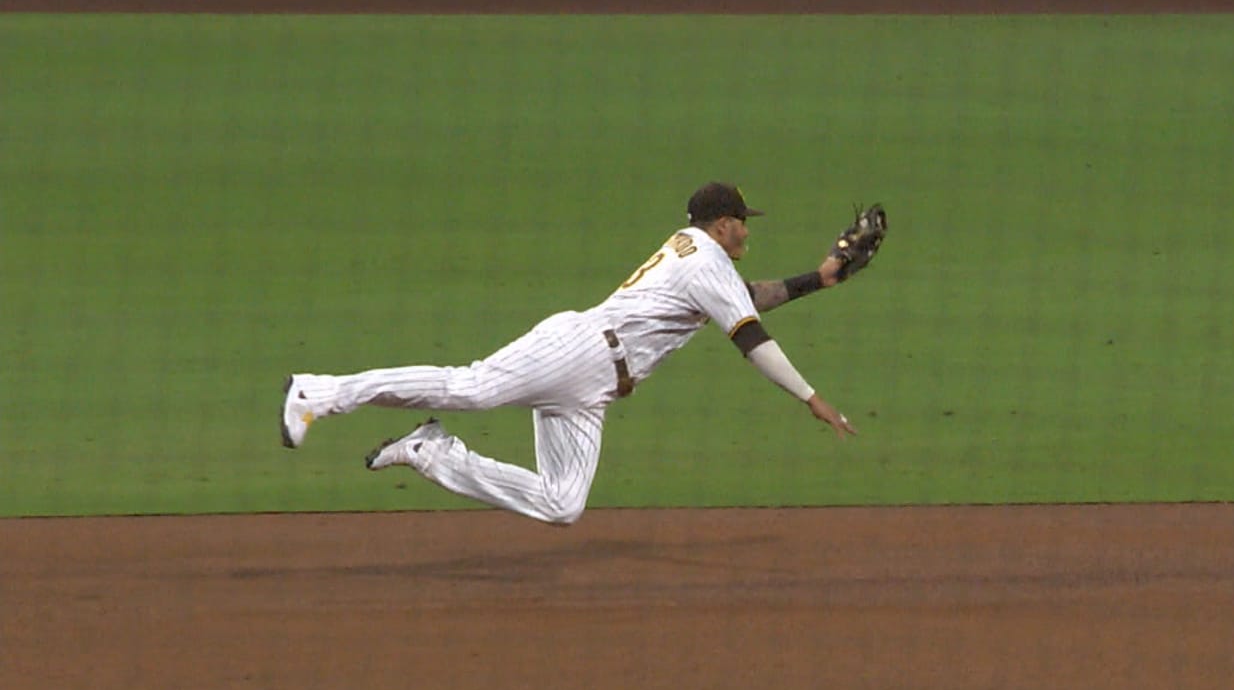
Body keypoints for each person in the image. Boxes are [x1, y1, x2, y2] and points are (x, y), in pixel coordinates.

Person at [279, 182, 873, 525]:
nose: (748, 232)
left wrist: (819, 280)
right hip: (580, 350)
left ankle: (430, 452)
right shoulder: (704, 257)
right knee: (470, 387)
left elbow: (744, 300)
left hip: (594, 386)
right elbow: (750, 339)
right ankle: (320, 392)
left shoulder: (699, 258)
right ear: (722, 225)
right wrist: (811, 398)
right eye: (743, 223)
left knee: (562, 504)